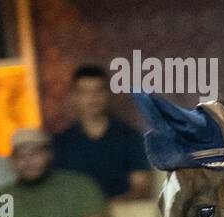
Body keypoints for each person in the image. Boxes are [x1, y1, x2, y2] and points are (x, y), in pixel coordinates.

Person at [52, 65, 152, 200]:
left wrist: (108, 209)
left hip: (121, 212)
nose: (92, 98)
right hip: (77, 215)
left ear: (107, 94)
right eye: (84, 92)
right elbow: (57, 188)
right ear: (74, 97)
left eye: (98, 91)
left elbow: (141, 188)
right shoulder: (62, 142)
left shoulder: (130, 137)